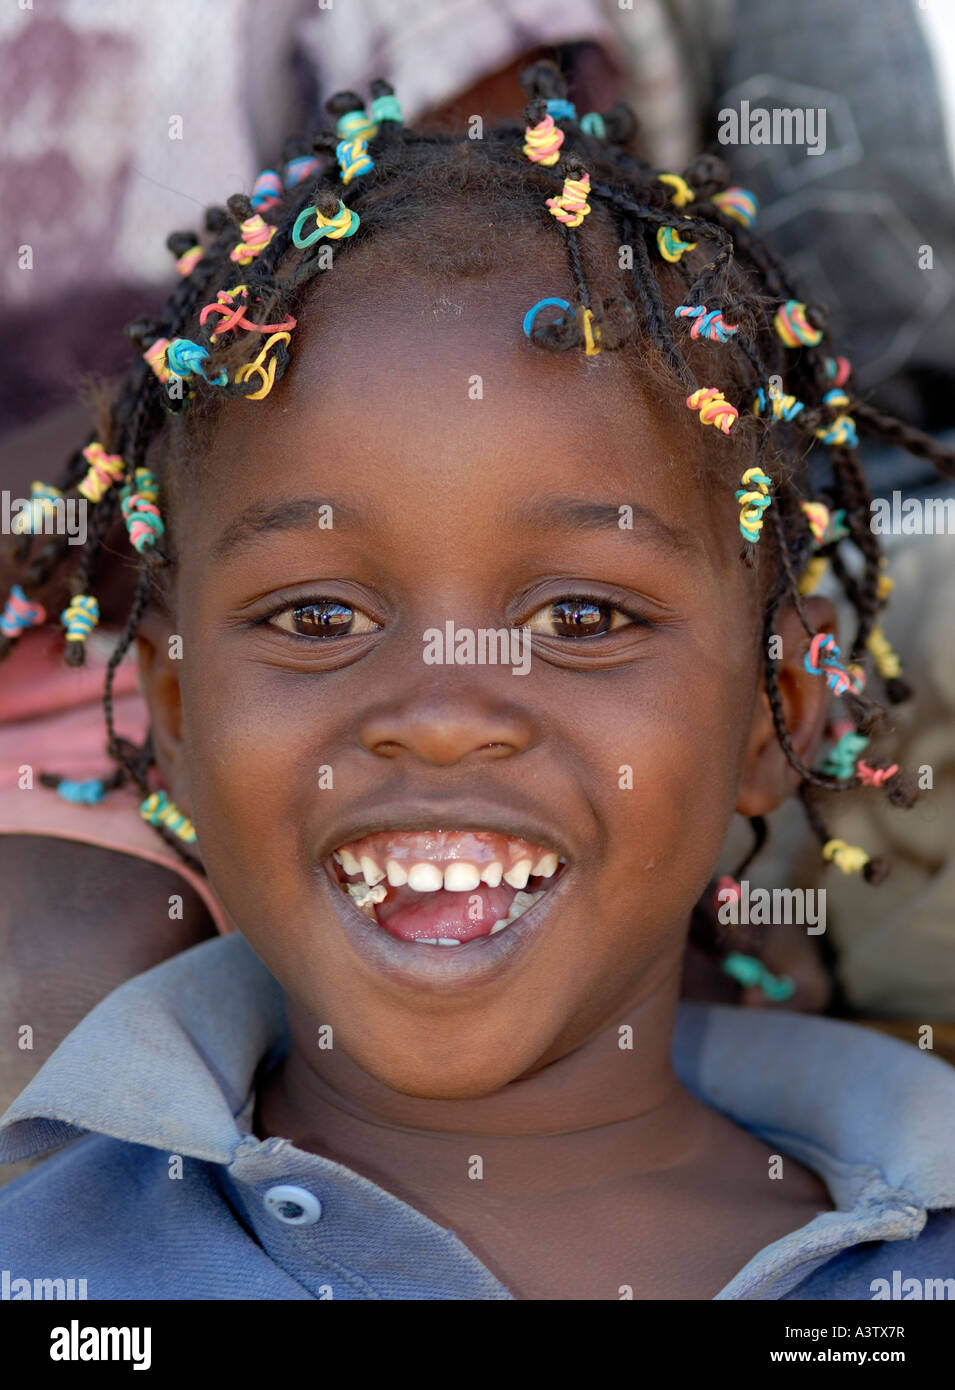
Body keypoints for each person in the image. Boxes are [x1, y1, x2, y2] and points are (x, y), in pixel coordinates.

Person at [1, 64, 953, 1300]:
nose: (443, 715)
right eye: (319, 614)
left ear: (777, 711)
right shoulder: (47, 1249)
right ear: (177, 716)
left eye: (581, 615)